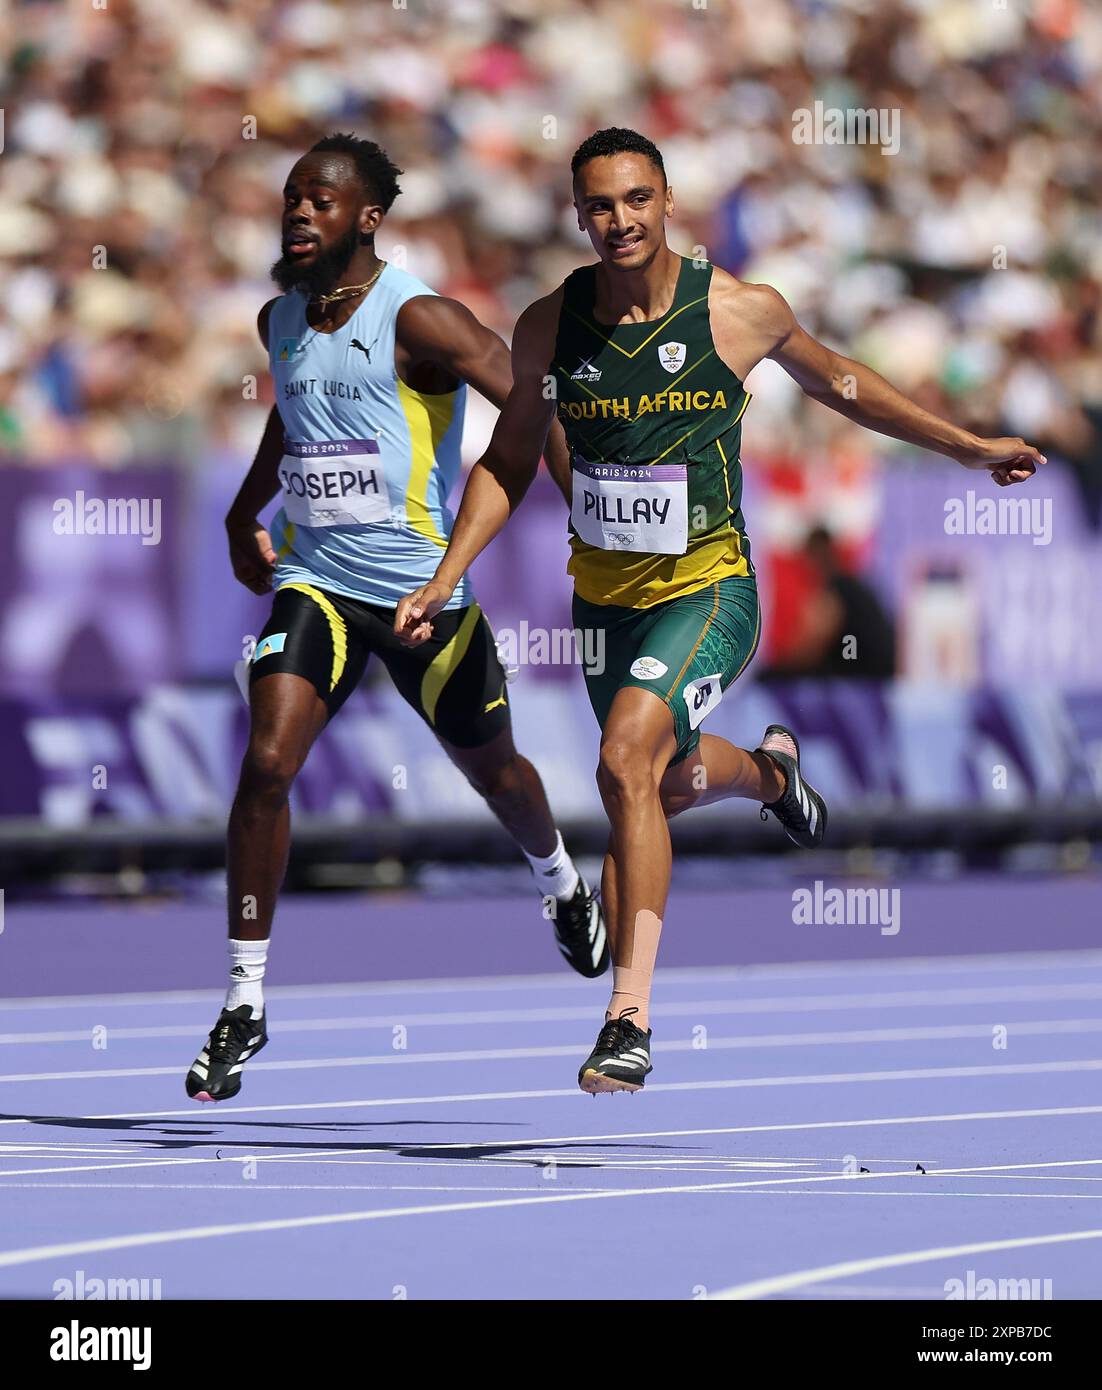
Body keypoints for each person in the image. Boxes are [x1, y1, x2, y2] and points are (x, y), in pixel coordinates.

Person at [394, 127, 1045, 1094]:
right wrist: (448, 575)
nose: (620, 221)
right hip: (605, 603)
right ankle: (775, 777)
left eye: (637, 200)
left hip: (711, 590)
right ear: (579, 215)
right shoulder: (548, 327)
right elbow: (510, 458)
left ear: (667, 201)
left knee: (626, 760)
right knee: (657, 781)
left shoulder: (740, 313)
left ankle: (629, 1020)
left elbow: (847, 387)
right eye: (600, 206)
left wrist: (965, 446)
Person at [186, 133, 607, 1105]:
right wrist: (241, 510)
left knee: (494, 770)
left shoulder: (420, 318)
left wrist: (583, 507)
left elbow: (531, 402)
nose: (299, 212)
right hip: (319, 582)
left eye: (320, 201)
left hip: (425, 599)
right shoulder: (279, 318)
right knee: (266, 763)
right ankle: (243, 1000)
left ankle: (559, 880)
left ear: (366, 217)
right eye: (292, 197)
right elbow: (291, 416)